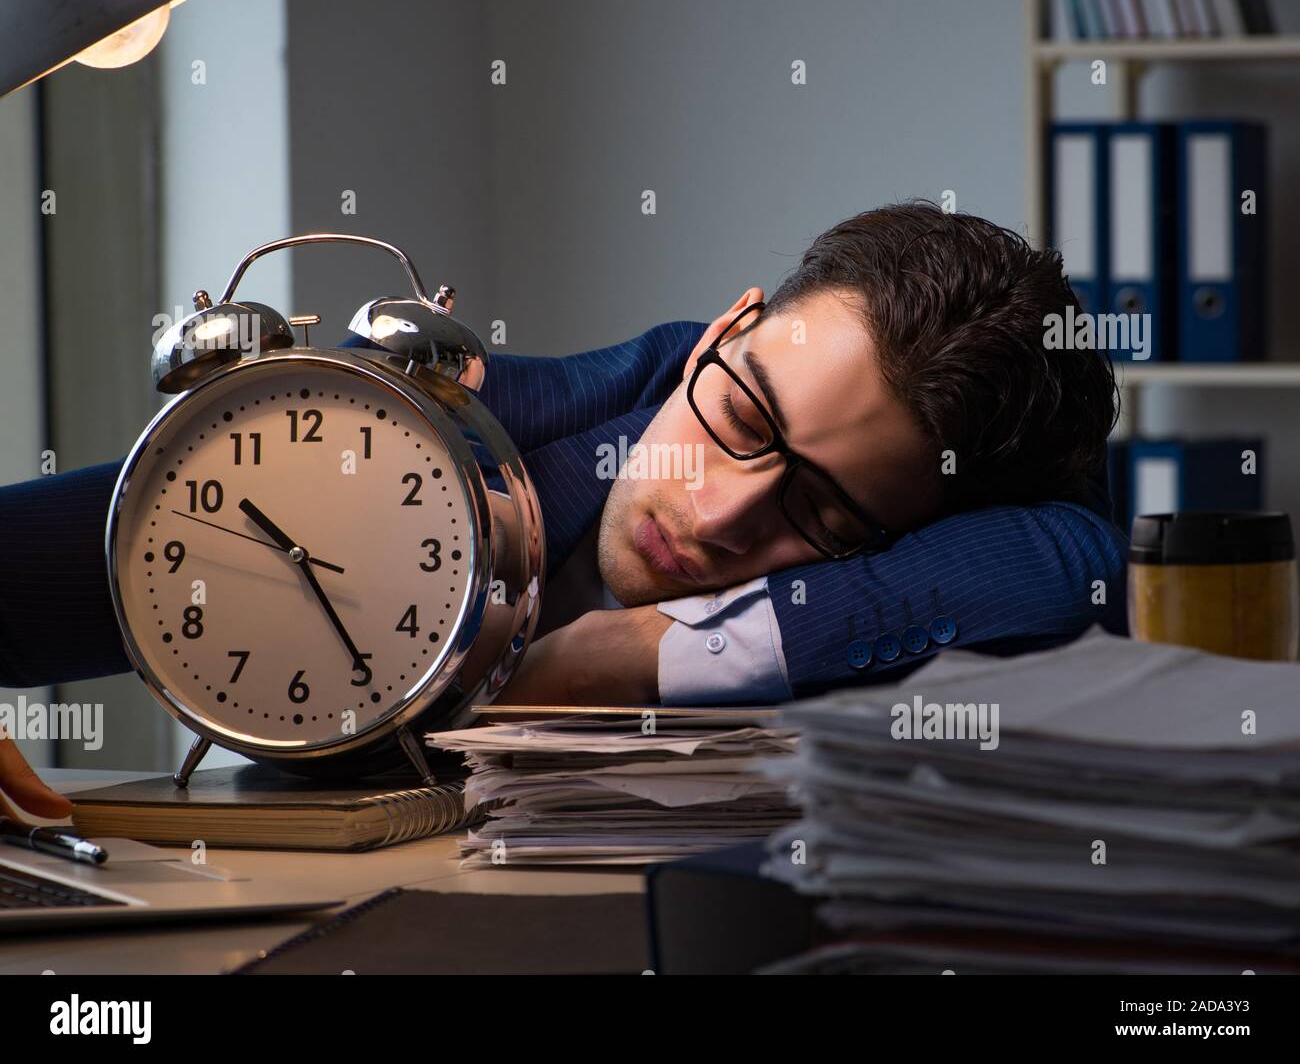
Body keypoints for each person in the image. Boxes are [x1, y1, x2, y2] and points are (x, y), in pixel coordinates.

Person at [0, 202, 1125, 810]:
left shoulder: (969, 541)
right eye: (744, 414)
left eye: (821, 512)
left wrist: (635, 656)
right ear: (722, 333)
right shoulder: (455, 429)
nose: (726, 511)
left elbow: (1073, 552)